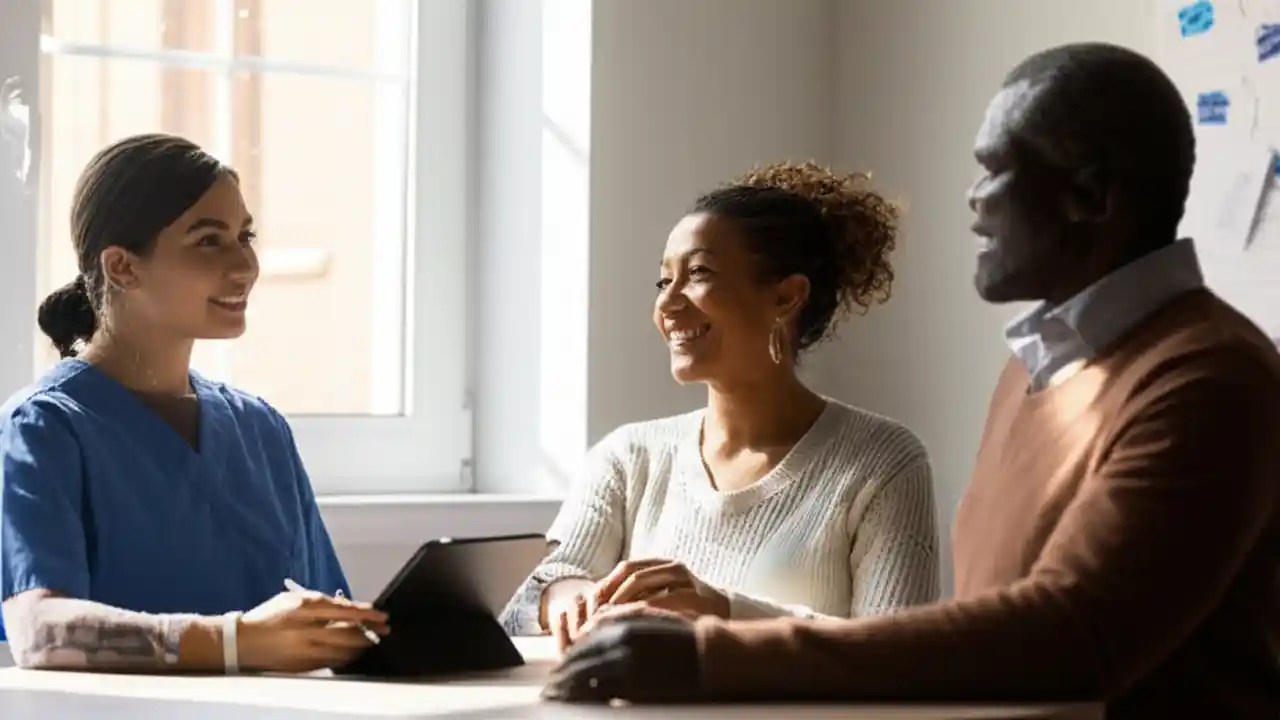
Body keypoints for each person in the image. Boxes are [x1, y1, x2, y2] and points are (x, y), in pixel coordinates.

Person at [541, 43, 1280, 719]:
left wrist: (710, 649)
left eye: (998, 169)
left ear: (1090, 198)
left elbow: (1075, 633)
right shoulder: (1036, 367)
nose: (972, 197)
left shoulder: (1208, 375)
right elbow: (987, 628)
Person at [501, 161, 940, 648]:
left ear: (786, 297)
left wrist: (722, 610)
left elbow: (902, 649)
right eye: (662, 281)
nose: (667, 305)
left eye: (697, 273)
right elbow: (525, 600)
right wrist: (570, 597)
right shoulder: (628, 457)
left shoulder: (884, 461)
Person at [0, 134, 389, 672]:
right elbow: (39, 635)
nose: (245, 265)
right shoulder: (43, 428)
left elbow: (326, 620)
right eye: (209, 241)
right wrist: (235, 641)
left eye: (244, 236)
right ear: (123, 268)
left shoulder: (261, 430)